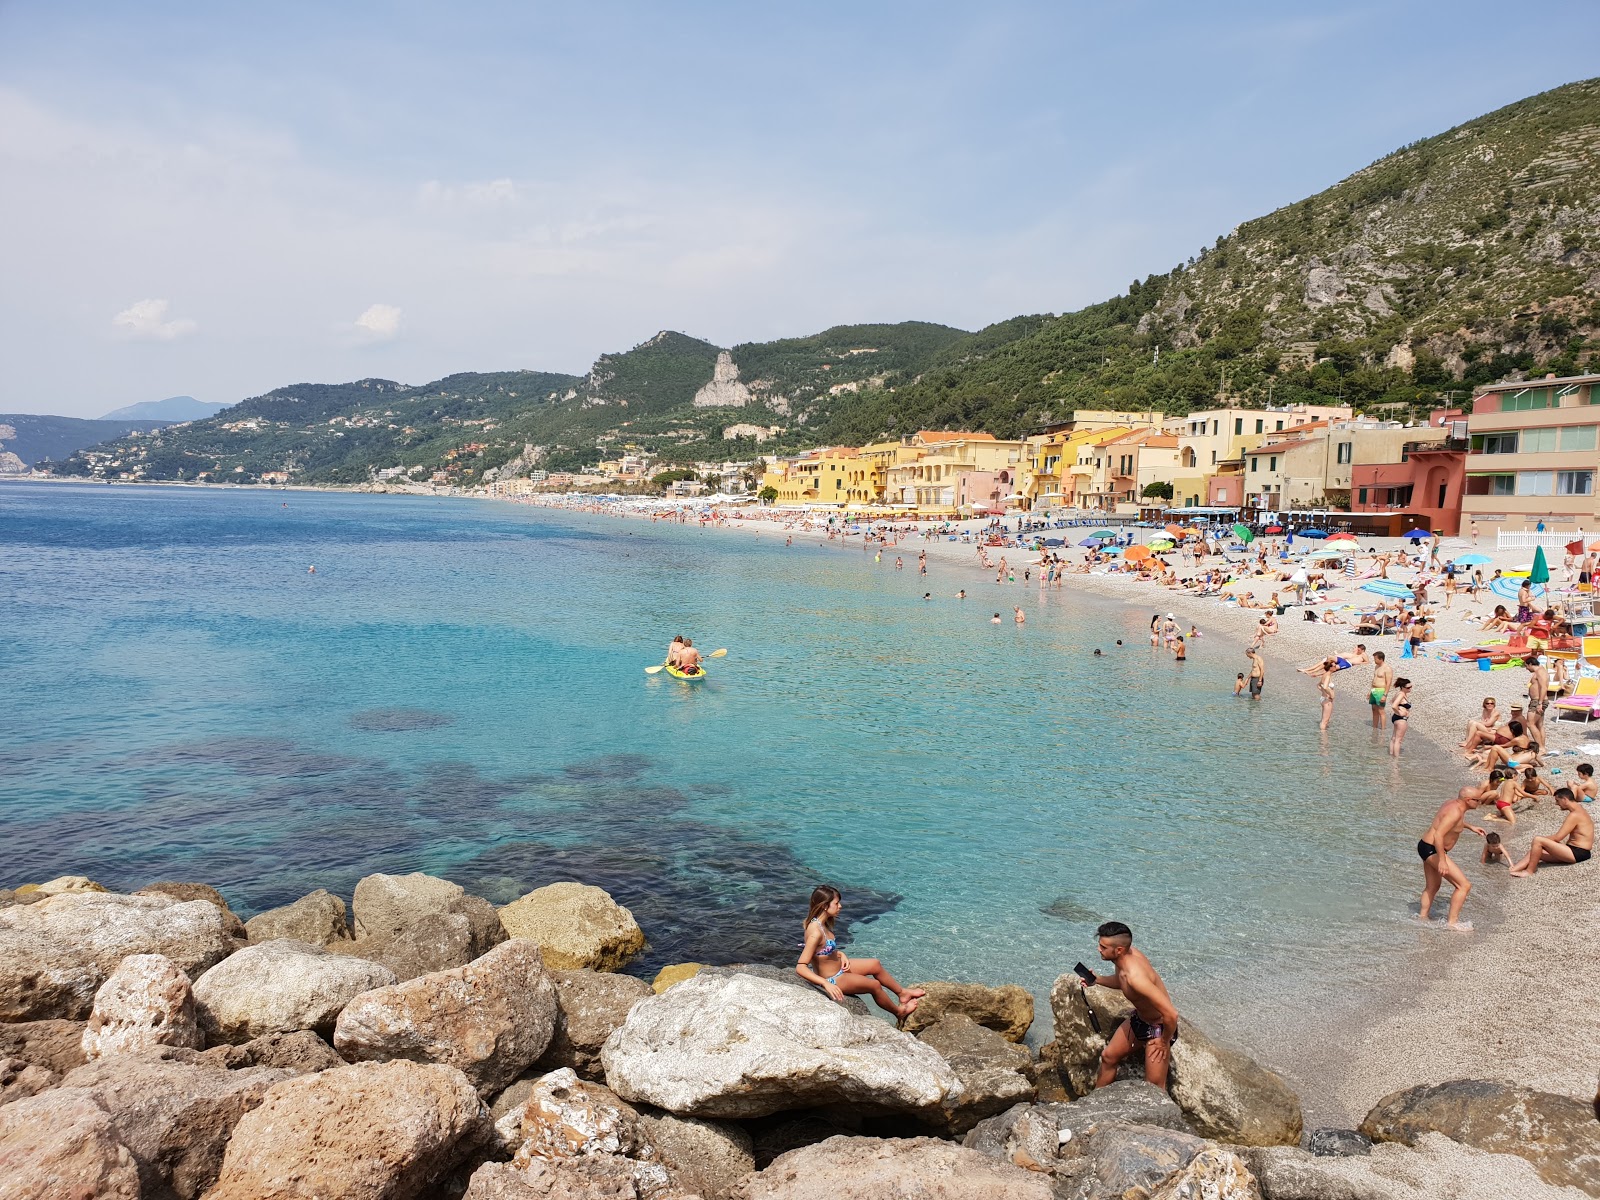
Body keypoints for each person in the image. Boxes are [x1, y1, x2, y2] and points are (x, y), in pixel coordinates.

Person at [1079, 921, 1180, 1092]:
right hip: (1139, 1020)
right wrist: (1098, 980)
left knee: (1154, 1088)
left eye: (1103, 947)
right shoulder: (1125, 959)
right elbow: (1121, 981)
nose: (1099, 949)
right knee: (1108, 1057)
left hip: (1157, 1028)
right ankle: (1094, 1103)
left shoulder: (1136, 977)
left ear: (1118, 950)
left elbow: (1171, 1014)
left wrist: (1163, 1042)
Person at [796, 886, 924, 1018]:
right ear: (824, 906)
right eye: (836, 903)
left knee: (875, 964)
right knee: (874, 985)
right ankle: (899, 1012)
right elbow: (800, 966)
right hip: (834, 978)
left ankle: (902, 993)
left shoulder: (821, 924)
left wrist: (840, 954)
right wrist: (825, 983)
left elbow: (821, 951)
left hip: (839, 967)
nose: (840, 906)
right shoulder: (815, 932)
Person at [1417, 786, 1487, 930]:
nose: (1479, 803)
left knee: (1433, 886)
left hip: (1425, 846)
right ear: (1468, 800)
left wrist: (1470, 827)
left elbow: (1448, 822)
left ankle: (1422, 918)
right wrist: (1442, 860)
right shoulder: (1455, 812)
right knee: (1464, 885)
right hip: (1433, 849)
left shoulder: (1453, 804)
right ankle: (1452, 923)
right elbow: (1438, 835)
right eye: (1478, 800)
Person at [1509, 789, 1594, 876]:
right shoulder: (1579, 809)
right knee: (1535, 852)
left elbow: (1558, 837)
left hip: (1578, 853)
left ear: (1565, 799)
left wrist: (1538, 842)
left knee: (1537, 840)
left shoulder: (1575, 815)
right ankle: (1513, 869)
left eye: (1557, 800)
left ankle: (1529, 871)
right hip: (1575, 850)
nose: (1556, 804)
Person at [1388, 678, 1413, 757]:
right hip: (1401, 719)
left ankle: (1391, 755)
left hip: (1396, 718)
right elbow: (1393, 705)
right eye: (1408, 688)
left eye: (1411, 687)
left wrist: (1399, 709)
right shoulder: (1401, 694)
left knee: (1394, 738)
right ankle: (1396, 761)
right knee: (1398, 740)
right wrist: (1399, 712)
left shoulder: (1399, 693)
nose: (1410, 689)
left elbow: (1391, 701)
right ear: (1402, 687)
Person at [1368, 651, 1393, 731]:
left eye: (1375, 659)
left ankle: (1382, 729)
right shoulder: (1376, 667)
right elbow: (1374, 679)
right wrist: (1370, 691)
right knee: (1374, 709)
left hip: (1381, 690)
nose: (1374, 660)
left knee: (1381, 710)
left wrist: (1385, 695)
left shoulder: (1387, 668)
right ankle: (1374, 728)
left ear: (1381, 659)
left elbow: (1388, 682)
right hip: (1374, 689)